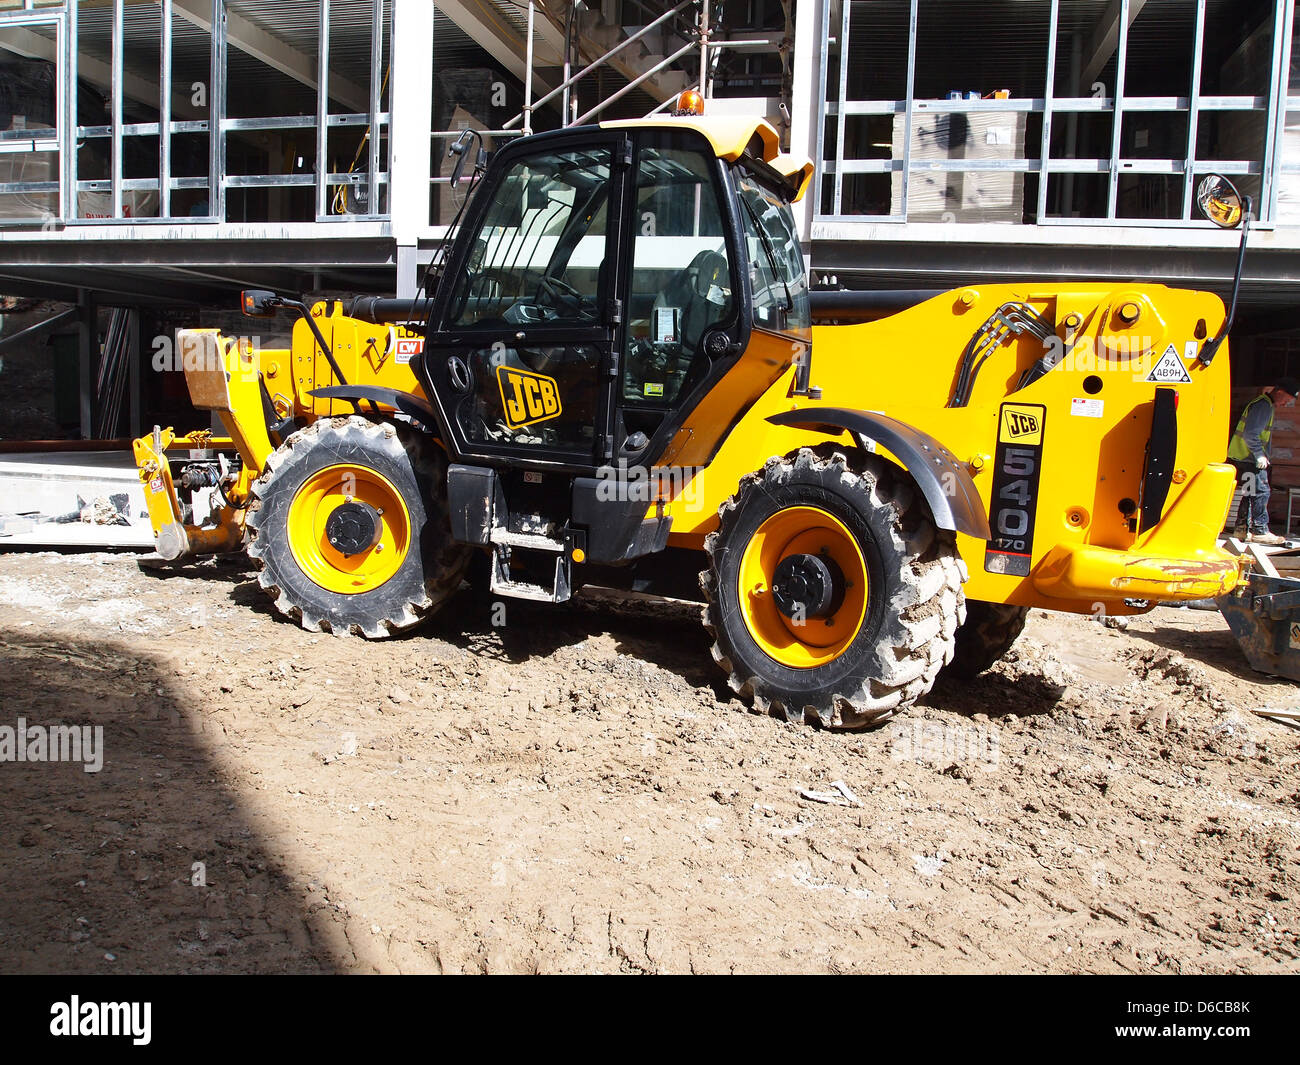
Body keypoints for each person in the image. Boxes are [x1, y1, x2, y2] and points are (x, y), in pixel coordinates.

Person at [1227, 376, 1300, 544]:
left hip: (1245, 457)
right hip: (1251, 458)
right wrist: (1259, 454)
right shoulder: (1263, 406)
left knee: (1250, 492)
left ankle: (1242, 529)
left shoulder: (1263, 404)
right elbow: (1250, 433)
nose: (1286, 403)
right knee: (1261, 491)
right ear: (1280, 392)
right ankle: (1260, 530)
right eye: (1287, 399)